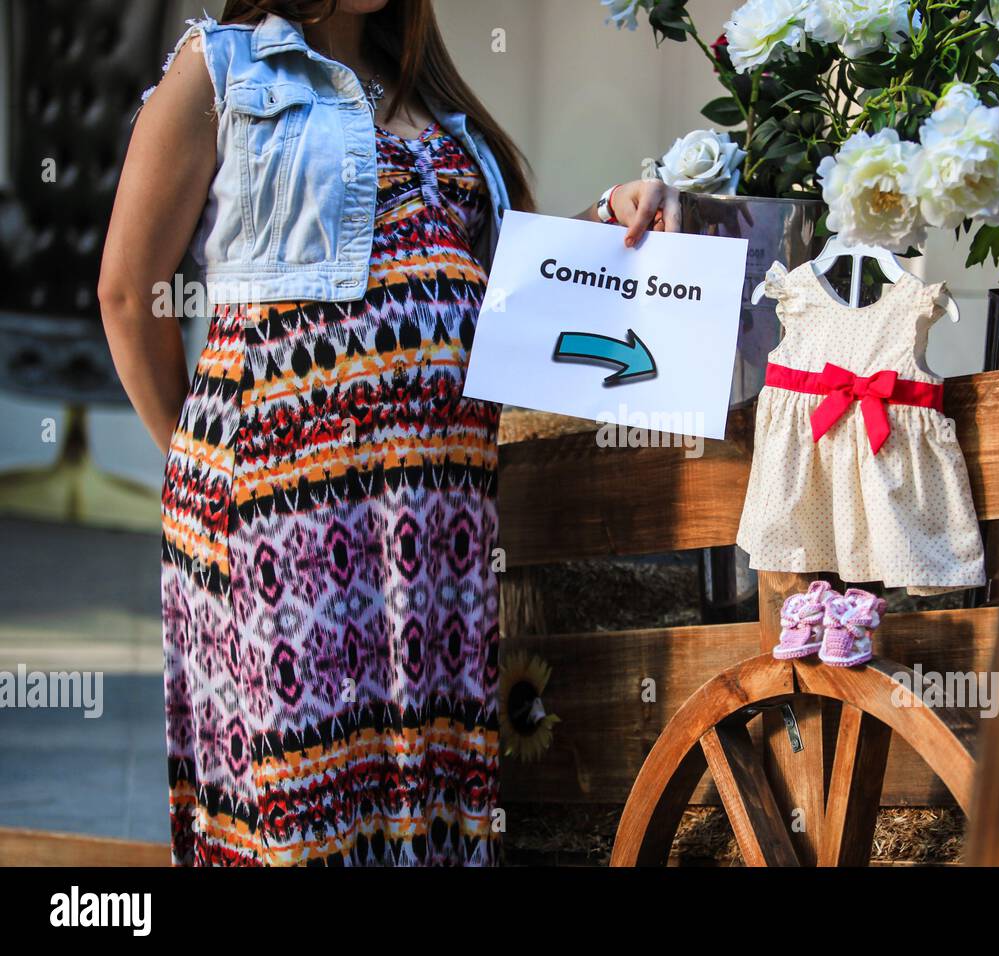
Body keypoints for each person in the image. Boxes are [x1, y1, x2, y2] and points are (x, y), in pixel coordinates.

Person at [97, 0, 681, 866]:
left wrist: (611, 217)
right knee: (304, 795)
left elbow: (506, 301)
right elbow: (127, 290)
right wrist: (203, 465)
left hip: (437, 528)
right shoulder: (219, 69)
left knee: (425, 790)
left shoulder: (438, 103)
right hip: (279, 516)